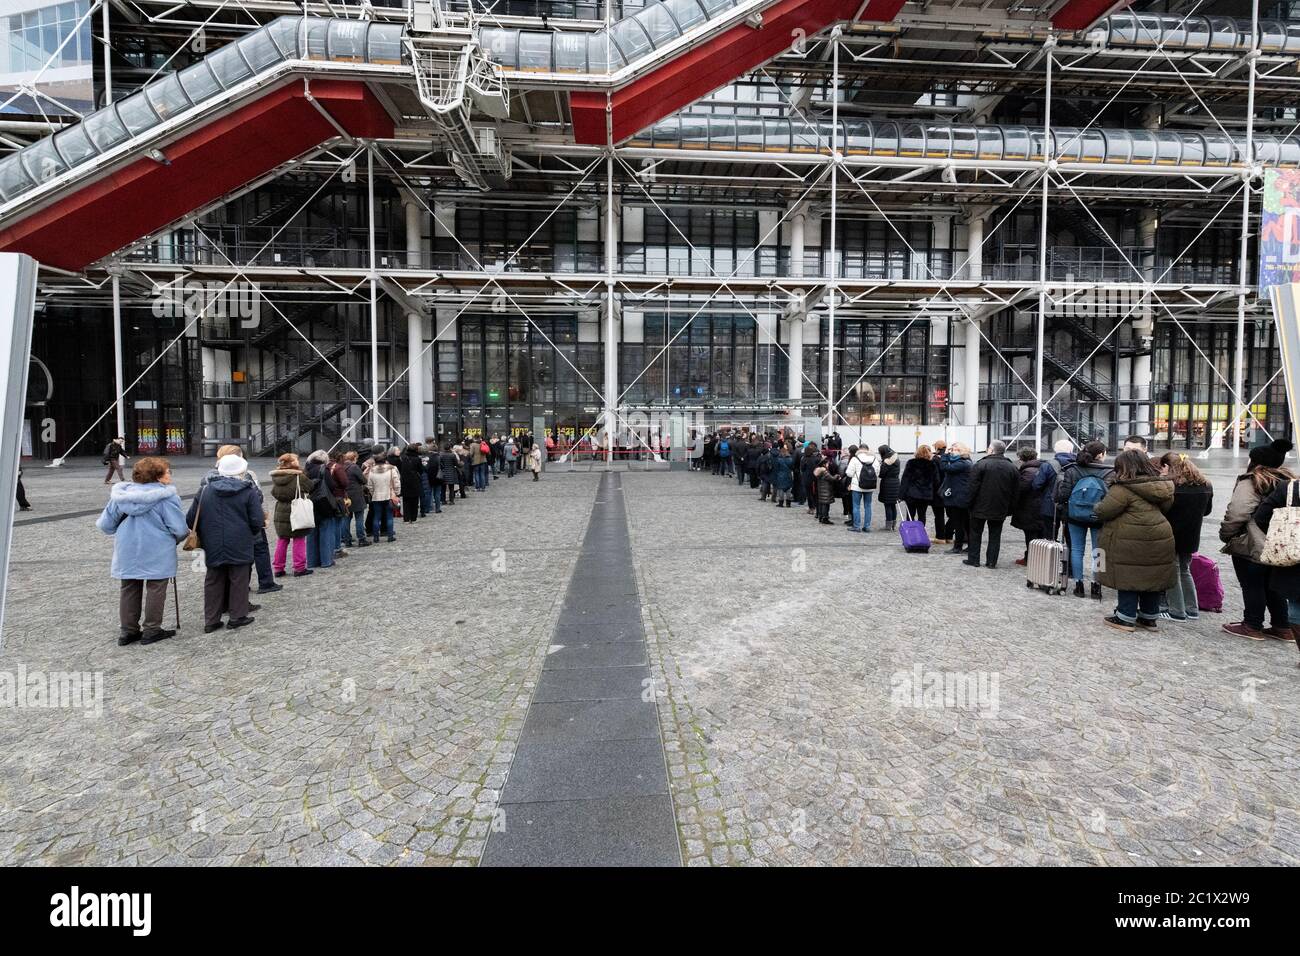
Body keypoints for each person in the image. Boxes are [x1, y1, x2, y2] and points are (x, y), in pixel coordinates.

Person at [96, 456, 188, 645]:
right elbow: (179, 529)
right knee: (156, 587)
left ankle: (128, 631)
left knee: (129, 587)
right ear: (158, 476)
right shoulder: (167, 497)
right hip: (158, 549)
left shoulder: (120, 497)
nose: (170, 474)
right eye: (167, 471)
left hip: (127, 548)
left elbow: (105, 525)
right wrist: (173, 540)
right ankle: (152, 629)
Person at [1092, 450, 1176, 633]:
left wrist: (1096, 505)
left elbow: (1105, 510)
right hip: (1159, 534)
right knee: (1151, 576)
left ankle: (1125, 617)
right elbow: (1166, 508)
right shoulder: (1162, 486)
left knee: (1128, 575)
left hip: (1130, 537)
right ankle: (1149, 617)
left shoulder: (1123, 488)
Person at [1219, 438, 1294, 640]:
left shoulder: (1252, 481)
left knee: (1252, 584)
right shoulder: (1288, 482)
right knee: (1274, 585)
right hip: (1281, 543)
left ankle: (1252, 625)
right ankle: (1283, 626)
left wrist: (1227, 534)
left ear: (1255, 462)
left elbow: (1238, 512)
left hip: (1253, 542)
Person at [187, 454, 263, 633]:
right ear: (241, 471)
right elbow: (257, 520)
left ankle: (211, 619)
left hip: (212, 541)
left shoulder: (205, 490)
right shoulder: (248, 490)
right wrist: (249, 532)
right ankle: (237, 616)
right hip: (240, 539)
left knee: (213, 579)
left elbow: (191, 519)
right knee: (239, 578)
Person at [199, 444, 279, 595]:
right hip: (245, 524)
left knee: (222, 566)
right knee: (254, 553)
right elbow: (258, 497)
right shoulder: (247, 476)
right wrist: (260, 520)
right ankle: (262, 583)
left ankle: (230, 596)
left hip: (217, 528)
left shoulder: (207, 479)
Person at [1157, 452, 1213, 622]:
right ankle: (1192, 608)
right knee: (1185, 570)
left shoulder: (1170, 486)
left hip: (1171, 534)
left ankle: (1177, 610)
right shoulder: (1205, 485)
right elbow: (1207, 511)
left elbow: (1161, 510)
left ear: (1167, 467)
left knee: (1171, 572)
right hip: (1192, 535)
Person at [1056, 440, 1112, 599]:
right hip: (1100, 516)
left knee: (1077, 550)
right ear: (1101, 455)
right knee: (1099, 551)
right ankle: (1097, 585)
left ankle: (1079, 585)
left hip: (1075, 515)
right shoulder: (1109, 472)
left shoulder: (1072, 470)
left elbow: (1063, 495)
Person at [1254, 468, 1300, 652]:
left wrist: (1283, 535)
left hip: (1293, 554)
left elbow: (1261, 517)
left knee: (1297, 608)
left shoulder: (1289, 488)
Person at [964, 441, 1019, 569]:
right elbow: (1016, 491)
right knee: (995, 535)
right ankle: (991, 562)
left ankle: (974, 559)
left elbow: (972, 487)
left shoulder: (981, 464)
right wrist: (1010, 508)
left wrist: (969, 503)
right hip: (1000, 506)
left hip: (979, 506)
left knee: (975, 533)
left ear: (992, 450)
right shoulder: (1012, 467)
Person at [270, 453, 316, 576]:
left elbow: (274, 492)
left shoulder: (276, 477)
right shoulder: (298, 477)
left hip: (280, 511)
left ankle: (278, 568)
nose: (298, 461)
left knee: (282, 540)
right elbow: (310, 486)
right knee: (299, 539)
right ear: (291, 463)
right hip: (296, 510)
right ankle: (299, 567)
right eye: (296, 460)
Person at [1033, 438, 1076, 543]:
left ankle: (1052, 558)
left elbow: (1036, 485)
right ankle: (1069, 558)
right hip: (1071, 506)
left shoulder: (1047, 465)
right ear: (1071, 451)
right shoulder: (1077, 465)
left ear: (1055, 451)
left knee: (1049, 537)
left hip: (1050, 505)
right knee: (1071, 539)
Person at [304, 450, 339, 570]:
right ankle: (326, 560)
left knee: (311, 533)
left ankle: (312, 561)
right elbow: (332, 486)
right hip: (324, 503)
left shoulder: (305, 470)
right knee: (326, 531)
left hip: (309, 503)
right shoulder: (324, 469)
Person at [1010, 447, 1045, 566]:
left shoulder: (1029, 471)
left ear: (1022, 458)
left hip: (1030, 507)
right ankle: (1035, 557)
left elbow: (1022, 489)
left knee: (1031, 535)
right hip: (1039, 506)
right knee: (1038, 534)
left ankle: (1031, 558)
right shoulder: (1041, 467)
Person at [938, 442, 974, 553]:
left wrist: (944, 455)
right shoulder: (964, 462)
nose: (951, 452)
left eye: (953, 450)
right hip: (960, 496)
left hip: (959, 497)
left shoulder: (962, 464)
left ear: (960, 451)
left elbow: (944, 468)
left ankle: (958, 547)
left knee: (959, 523)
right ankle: (970, 546)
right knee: (965, 523)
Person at [900, 444, 937, 530]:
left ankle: (910, 534)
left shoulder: (911, 463)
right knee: (922, 515)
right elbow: (936, 481)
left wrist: (901, 495)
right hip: (925, 495)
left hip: (911, 494)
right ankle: (920, 533)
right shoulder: (932, 465)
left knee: (910, 515)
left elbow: (905, 479)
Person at [366, 453, 400, 542]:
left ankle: (376, 537)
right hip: (389, 495)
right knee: (389, 516)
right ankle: (390, 536)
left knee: (376, 517)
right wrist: (396, 493)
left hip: (376, 496)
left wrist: (373, 493)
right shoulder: (392, 469)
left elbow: (369, 485)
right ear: (385, 460)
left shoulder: (372, 471)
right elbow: (396, 482)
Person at [844, 444, 878, 532]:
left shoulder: (855, 459)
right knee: (868, 506)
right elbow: (877, 472)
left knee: (856, 506)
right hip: (870, 486)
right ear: (868, 449)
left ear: (859, 449)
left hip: (857, 487)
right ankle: (867, 526)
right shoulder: (874, 459)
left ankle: (857, 526)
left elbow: (849, 473)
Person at [340, 450, 369, 546]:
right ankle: (361, 539)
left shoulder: (341, 467)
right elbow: (363, 480)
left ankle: (347, 540)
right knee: (359, 518)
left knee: (346, 519)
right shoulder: (354, 467)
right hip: (356, 496)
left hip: (345, 496)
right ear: (354, 458)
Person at [876, 445, 901, 532]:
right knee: (893, 504)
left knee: (887, 505)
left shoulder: (886, 462)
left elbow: (881, 474)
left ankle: (888, 526)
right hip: (896, 483)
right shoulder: (896, 459)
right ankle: (893, 525)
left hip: (887, 484)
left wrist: (881, 465)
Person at [399, 444, 424, 522]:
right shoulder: (417, 459)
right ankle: (413, 517)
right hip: (415, 480)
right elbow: (421, 470)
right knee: (415, 499)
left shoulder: (403, 458)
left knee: (406, 499)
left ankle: (406, 517)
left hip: (404, 480)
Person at [930, 439, 948, 543]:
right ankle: (949, 534)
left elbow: (934, 477)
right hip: (949, 489)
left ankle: (940, 536)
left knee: (939, 515)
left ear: (937, 448)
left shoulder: (935, 460)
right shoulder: (948, 458)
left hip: (937, 490)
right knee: (952, 514)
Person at [771, 443, 794, 507]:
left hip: (780, 475)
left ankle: (781, 502)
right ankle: (788, 503)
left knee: (781, 489)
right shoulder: (790, 459)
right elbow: (792, 467)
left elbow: (776, 468)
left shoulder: (778, 459)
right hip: (788, 475)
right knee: (788, 489)